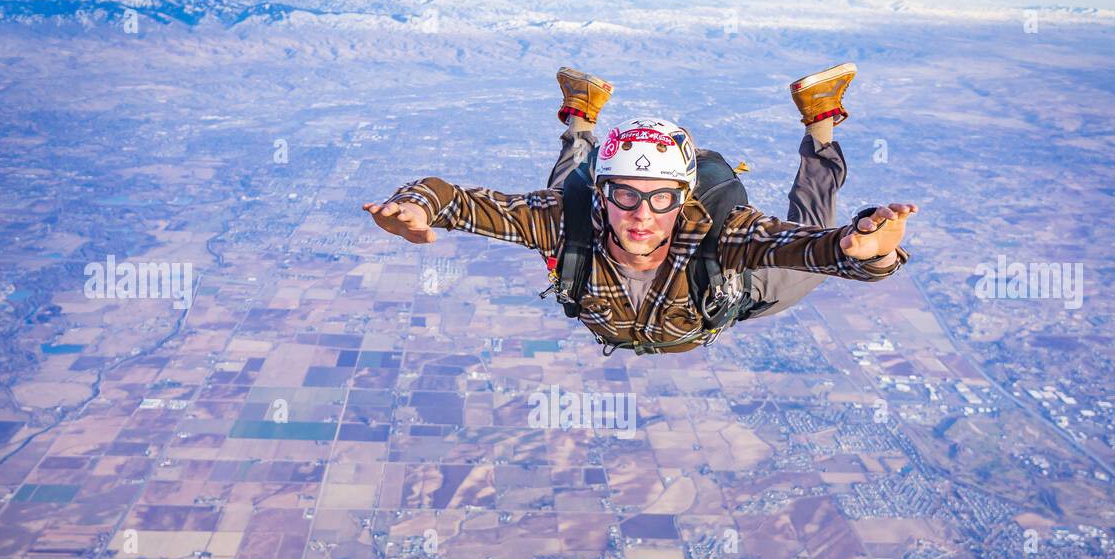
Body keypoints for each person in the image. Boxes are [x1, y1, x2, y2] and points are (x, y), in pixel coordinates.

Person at [363, 72, 917, 356]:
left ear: (685, 196)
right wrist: (419, 204)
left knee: (814, 245)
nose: (642, 216)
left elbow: (813, 249)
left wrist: (867, 251)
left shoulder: (724, 234)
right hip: (609, 261)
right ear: (610, 192)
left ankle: (820, 120)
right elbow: (457, 200)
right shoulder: (580, 212)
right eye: (625, 194)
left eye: (662, 198)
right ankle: (582, 121)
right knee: (564, 202)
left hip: (739, 292)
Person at [548, 64, 865, 322]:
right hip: (718, 285)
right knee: (812, 247)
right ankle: (819, 115)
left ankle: (583, 110)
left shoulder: (592, 238)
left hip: (710, 281)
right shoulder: (709, 226)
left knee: (564, 212)